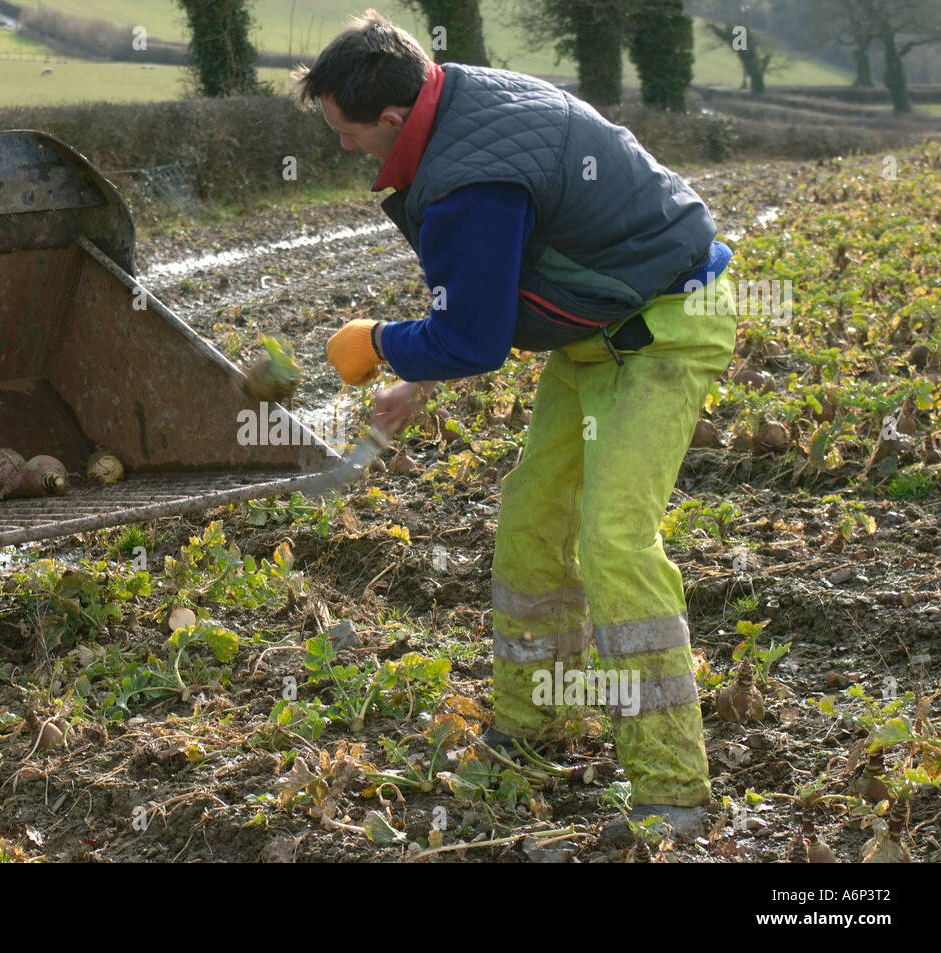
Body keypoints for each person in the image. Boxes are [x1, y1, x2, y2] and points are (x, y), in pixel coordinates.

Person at [294, 10, 738, 839]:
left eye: (347, 133)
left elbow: (473, 334)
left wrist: (379, 345)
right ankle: (532, 725)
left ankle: (671, 790)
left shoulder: (471, 177)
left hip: (665, 330)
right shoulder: (458, 103)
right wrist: (417, 383)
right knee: (531, 514)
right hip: (593, 337)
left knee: (613, 539)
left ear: (393, 118)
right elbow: (479, 293)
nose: (346, 148)